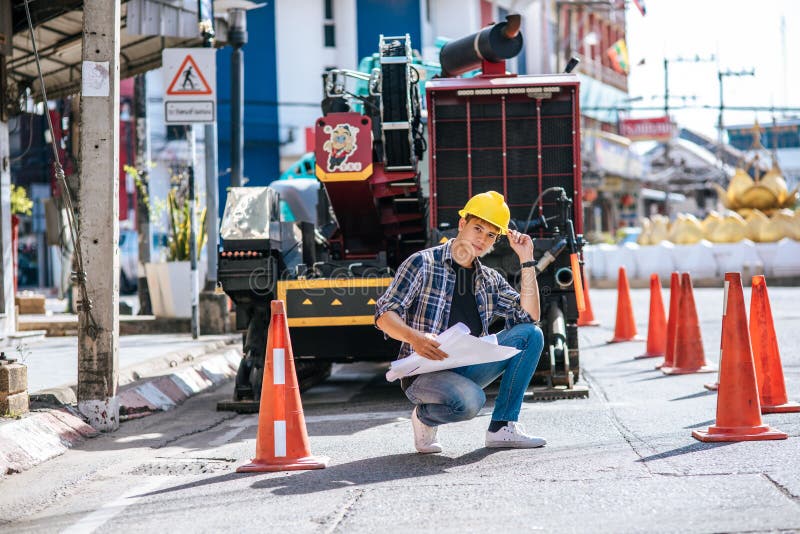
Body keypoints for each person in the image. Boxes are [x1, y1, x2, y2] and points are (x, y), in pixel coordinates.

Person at [375, 191, 545, 453]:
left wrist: (526, 259)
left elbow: (529, 317)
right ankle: (423, 417)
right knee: (470, 401)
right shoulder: (423, 263)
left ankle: (503, 426)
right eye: (478, 228)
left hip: (466, 367)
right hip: (423, 373)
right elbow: (384, 314)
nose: (482, 239)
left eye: (490, 235)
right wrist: (415, 339)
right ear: (462, 224)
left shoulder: (489, 279)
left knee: (531, 334)